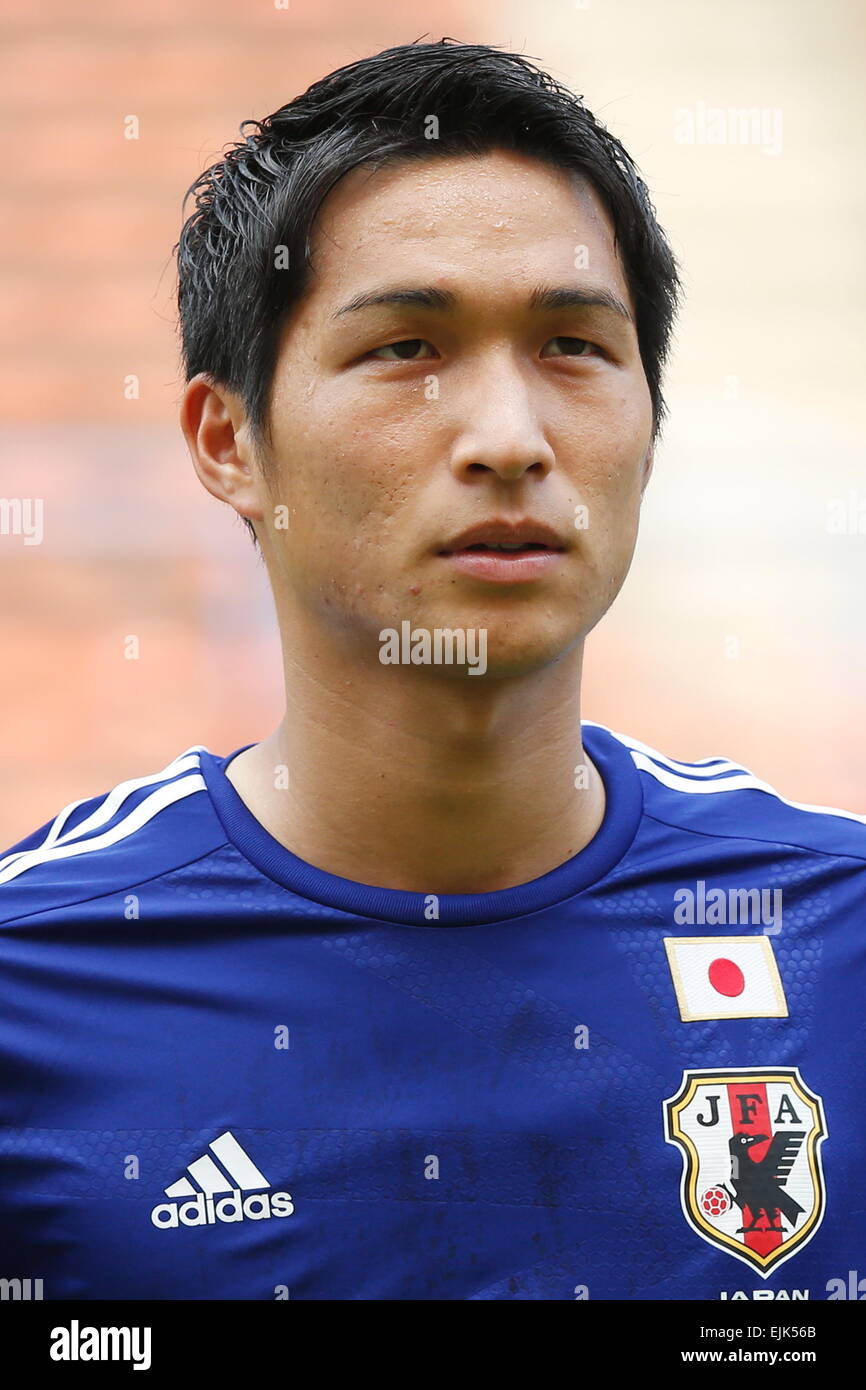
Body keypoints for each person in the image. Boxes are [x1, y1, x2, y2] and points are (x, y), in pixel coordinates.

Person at [0, 38, 862, 1302]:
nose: (510, 439)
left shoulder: (834, 931)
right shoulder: (39, 977)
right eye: (406, 347)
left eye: (573, 345)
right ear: (229, 440)